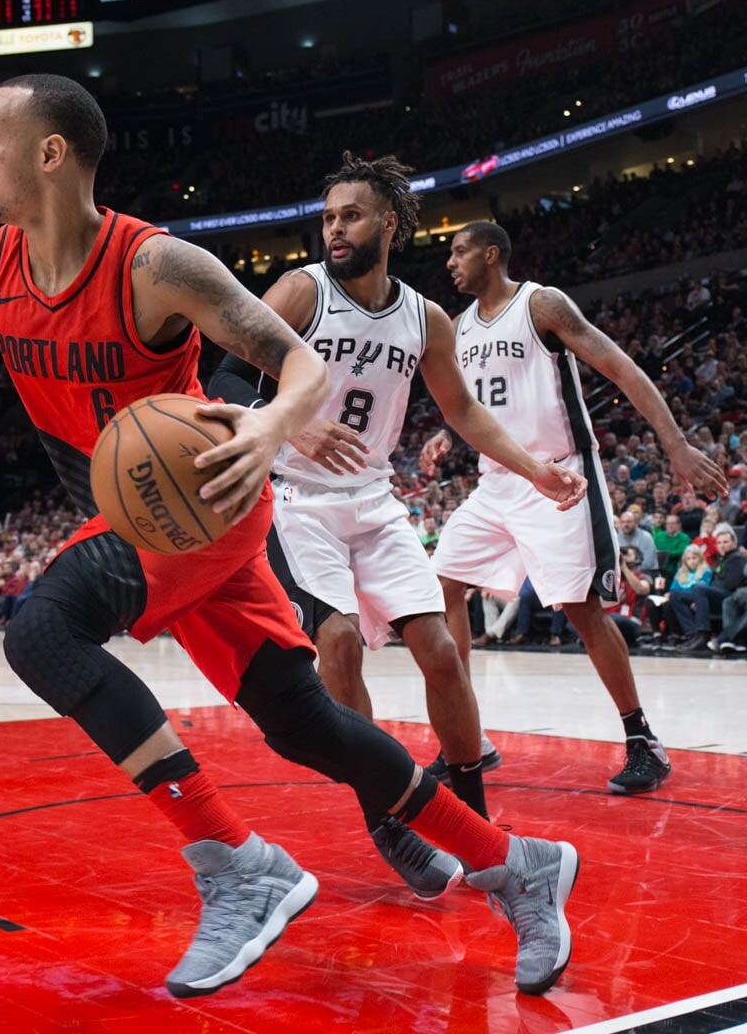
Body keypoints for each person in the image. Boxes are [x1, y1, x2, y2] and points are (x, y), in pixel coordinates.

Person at [0, 74, 580, 998]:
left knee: (42, 632)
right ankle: (517, 863)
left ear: (51, 152)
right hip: (136, 512)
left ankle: (238, 864)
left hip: (207, 497)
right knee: (304, 725)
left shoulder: (153, 266)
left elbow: (301, 366)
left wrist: (272, 426)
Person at [205, 152, 585, 883]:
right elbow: (223, 374)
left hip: (374, 500)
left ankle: (471, 820)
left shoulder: (426, 318)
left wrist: (536, 470)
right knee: (338, 645)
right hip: (295, 497)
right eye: (327, 218)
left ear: (388, 222)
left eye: (349, 216)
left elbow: (465, 410)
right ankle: (386, 815)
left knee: (441, 651)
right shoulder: (299, 292)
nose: (335, 229)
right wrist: (290, 422)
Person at [424, 221, 727, 794]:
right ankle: (467, 739)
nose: (450, 262)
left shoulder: (541, 304)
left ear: (492, 254)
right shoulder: (459, 327)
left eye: (459, 250)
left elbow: (621, 367)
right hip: (497, 482)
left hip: (560, 476)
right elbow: (475, 401)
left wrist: (675, 444)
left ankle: (643, 741)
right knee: (440, 585)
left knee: (583, 610)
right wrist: (446, 433)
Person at [669, 523, 744, 652]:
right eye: (719, 543)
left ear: (734, 544)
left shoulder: (737, 558)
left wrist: (701, 596)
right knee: (676, 596)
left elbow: (729, 584)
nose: (722, 545)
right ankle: (692, 633)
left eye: (725, 542)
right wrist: (699, 598)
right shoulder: (722, 559)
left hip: (730, 597)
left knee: (700, 588)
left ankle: (703, 633)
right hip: (716, 594)